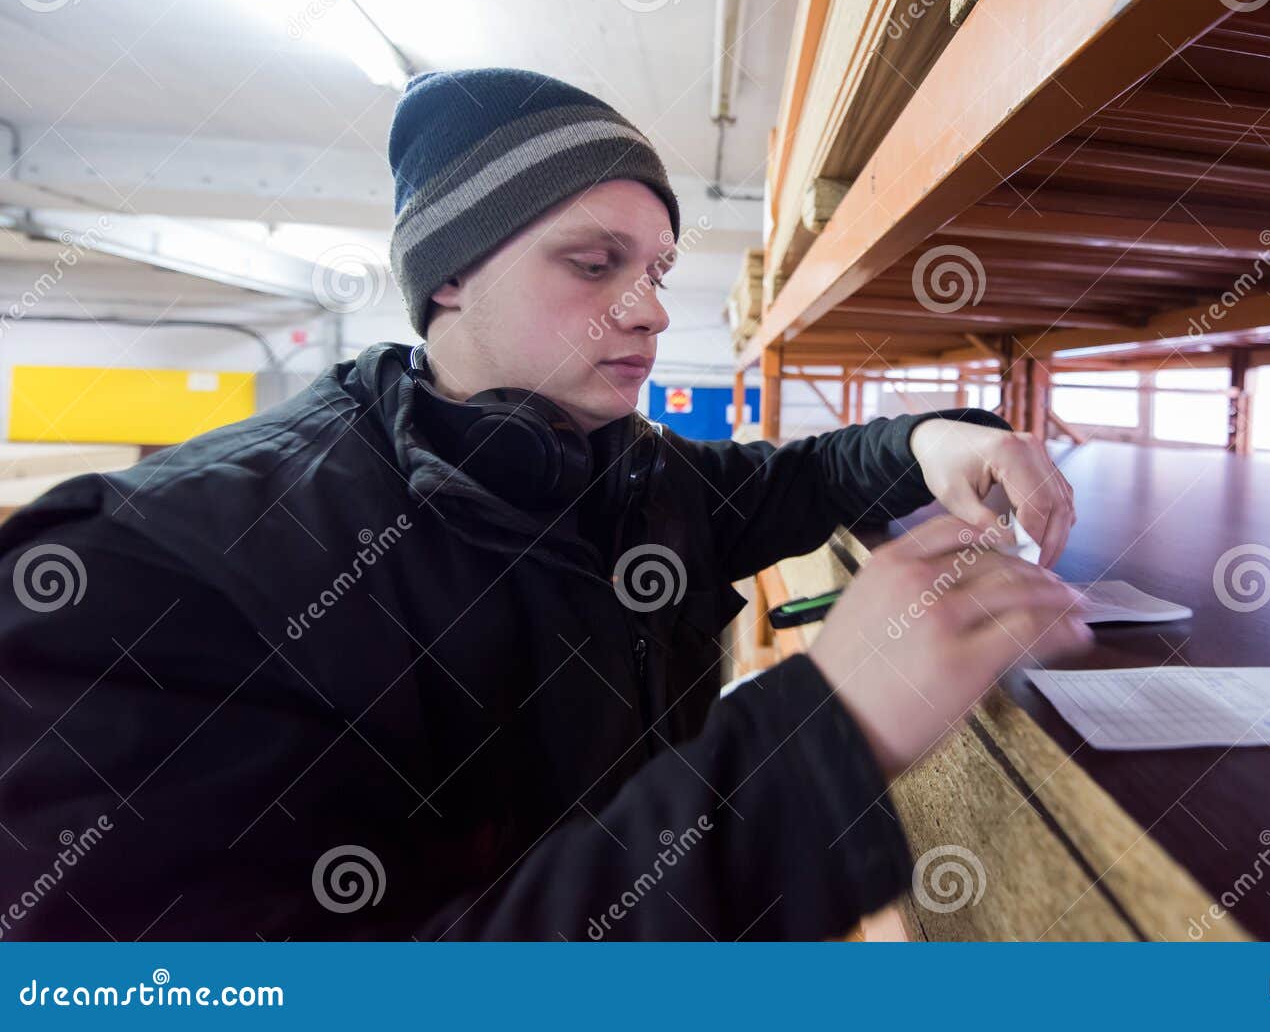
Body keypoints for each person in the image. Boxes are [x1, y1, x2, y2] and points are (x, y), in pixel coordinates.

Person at [0, 69, 1088, 940]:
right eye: (594, 262)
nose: (652, 309)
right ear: (450, 277)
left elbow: (793, 482)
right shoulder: (153, 583)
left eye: (657, 267)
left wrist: (931, 437)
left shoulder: (627, 472)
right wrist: (818, 740)